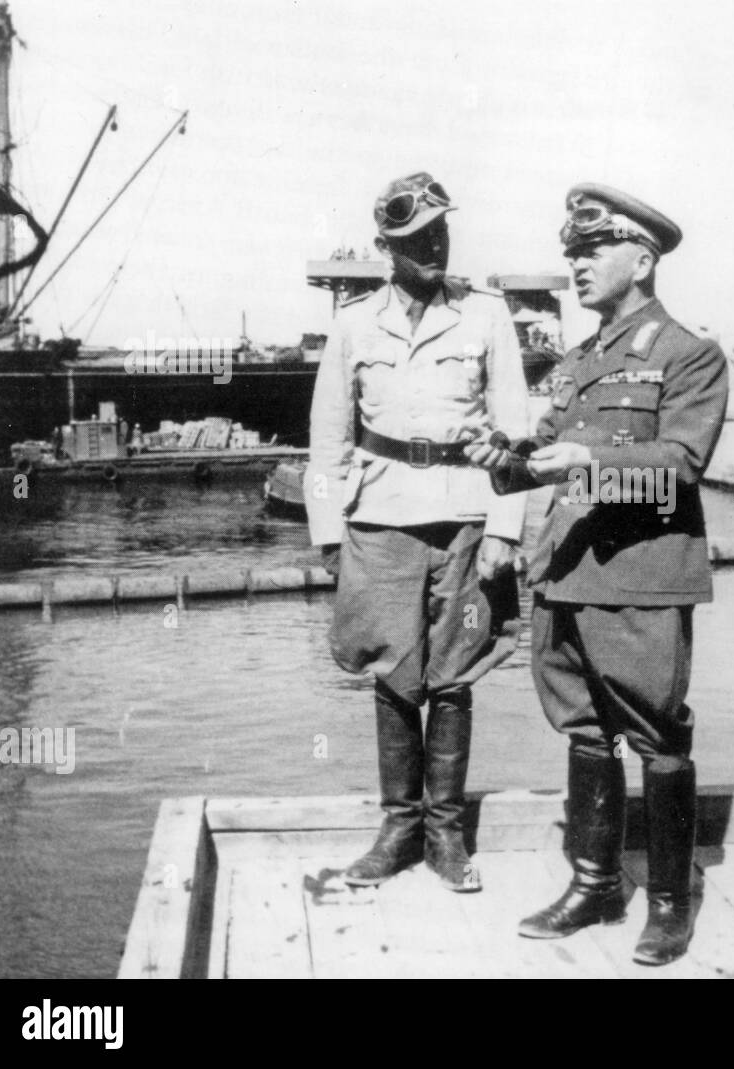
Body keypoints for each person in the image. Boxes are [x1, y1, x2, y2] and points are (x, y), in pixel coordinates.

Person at [466, 183, 729, 965]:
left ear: (642, 260)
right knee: (584, 730)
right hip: (567, 572)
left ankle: (672, 901)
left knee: (655, 734)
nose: (575, 265)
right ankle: (595, 881)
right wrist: (501, 457)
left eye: (591, 250)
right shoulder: (578, 361)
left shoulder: (689, 355)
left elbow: (680, 469)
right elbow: (538, 456)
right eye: (570, 252)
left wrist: (591, 460)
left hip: (640, 577)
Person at [304, 172, 527, 894]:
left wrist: (505, 527)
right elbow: (327, 439)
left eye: (440, 231)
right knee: (391, 671)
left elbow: (514, 429)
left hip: (465, 514)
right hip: (380, 515)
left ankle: (445, 833)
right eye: (415, 238)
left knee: (455, 671)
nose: (433, 245)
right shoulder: (353, 323)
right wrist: (329, 533)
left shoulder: (486, 316)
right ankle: (399, 828)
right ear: (386, 247)